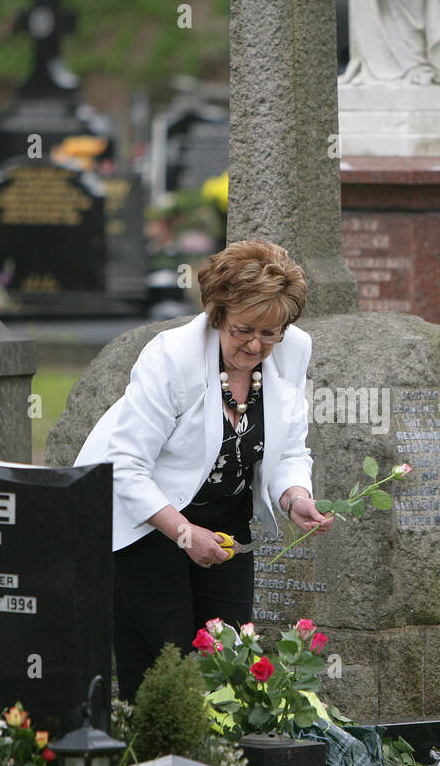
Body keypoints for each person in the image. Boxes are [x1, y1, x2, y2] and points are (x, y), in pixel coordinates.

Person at [76, 241, 333, 699]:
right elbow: (127, 466)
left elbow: (288, 447)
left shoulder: (292, 351)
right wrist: (183, 533)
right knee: (164, 667)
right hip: (145, 523)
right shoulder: (172, 358)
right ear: (217, 316)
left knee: (231, 662)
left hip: (225, 526)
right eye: (243, 331)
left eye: (270, 333)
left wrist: (295, 497)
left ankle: (223, 765)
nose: (256, 345)